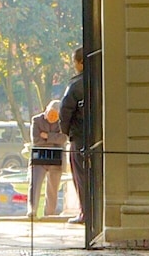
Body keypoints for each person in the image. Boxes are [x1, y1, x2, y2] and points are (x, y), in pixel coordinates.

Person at [56, 47, 91, 224]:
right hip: (98, 137)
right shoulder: (100, 80)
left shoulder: (75, 85)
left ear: (81, 63)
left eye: (75, 62)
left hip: (79, 137)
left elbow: (65, 112)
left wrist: (66, 132)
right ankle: (97, 212)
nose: (74, 66)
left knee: (81, 176)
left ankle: (86, 213)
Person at [28, 100, 67, 217]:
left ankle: (49, 214)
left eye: (55, 115)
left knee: (53, 188)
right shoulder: (36, 120)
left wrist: (47, 136)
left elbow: (64, 139)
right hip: (39, 157)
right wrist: (54, 139)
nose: (52, 117)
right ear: (46, 111)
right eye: (51, 114)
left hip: (56, 159)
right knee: (35, 184)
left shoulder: (63, 123)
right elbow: (36, 140)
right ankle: (32, 210)